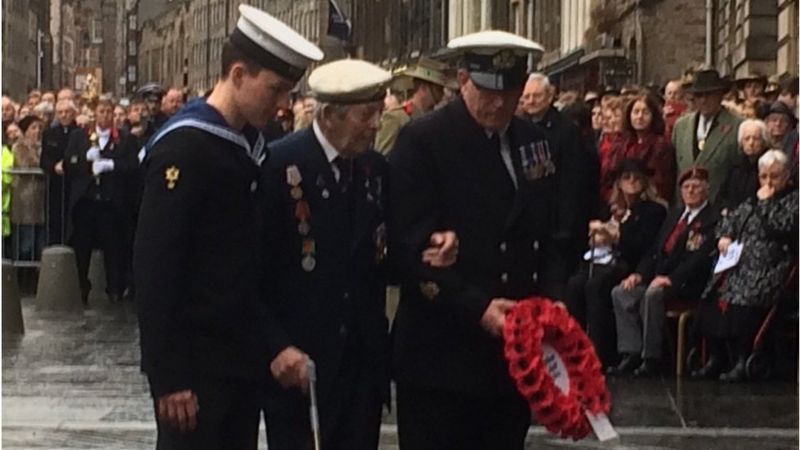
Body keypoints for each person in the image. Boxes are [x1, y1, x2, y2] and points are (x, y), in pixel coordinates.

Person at [134, 5, 323, 449]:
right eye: (275, 90)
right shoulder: (186, 148)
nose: (282, 106)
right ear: (238, 74)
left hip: (238, 363)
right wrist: (168, 376)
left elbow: (242, 267)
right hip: (195, 370)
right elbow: (157, 268)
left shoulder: (249, 145)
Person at [389, 31, 561, 450]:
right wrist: (477, 308)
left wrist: (553, 300)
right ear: (462, 79)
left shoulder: (533, 141)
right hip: (443, 352)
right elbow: (408, 246)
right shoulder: (424, 140)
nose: (498, 103)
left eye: (510, 92)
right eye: (486, 90)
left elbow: (554, 229)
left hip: (513, 353)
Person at [693, 150, 798, 382]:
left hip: (771, 264)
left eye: (774, 176)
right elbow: (729, 220)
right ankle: (716, 357)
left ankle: (743, 358)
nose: (768, 182)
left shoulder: (793, 199)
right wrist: (724, 236)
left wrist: (765, 203)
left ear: (786, 176)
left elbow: (780, 228)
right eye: (764, 177)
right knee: (712, 295)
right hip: (739, 263)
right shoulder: (751, 199)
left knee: (743, 297)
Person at [610, 167, 718, 378]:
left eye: (696, 187)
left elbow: (699, 259)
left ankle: (651, 358)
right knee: (621, 292)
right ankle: (630, 352)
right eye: (686, 187)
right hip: (657, 276)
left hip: (686, 283)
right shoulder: (675, 214)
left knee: (653, 295)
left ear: (706, 189)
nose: (691, 191)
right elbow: (654, 250)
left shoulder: (711, 219)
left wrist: (671, 279)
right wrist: (639, 274)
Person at [565, 159, 667, 368]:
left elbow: (645, 245)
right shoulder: (609, 208)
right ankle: (574, 349)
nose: (632, 182)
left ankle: (599, 352)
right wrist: (596, 235)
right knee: (575, 284)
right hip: (602, 261)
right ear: (619, 183)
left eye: (637, 178)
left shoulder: (653, 210)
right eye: (627, 178)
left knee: (596, 285)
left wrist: (616, 236)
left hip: (630, 264)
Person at [521, 72, 599, 284]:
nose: (531, 102)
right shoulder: (517, 127)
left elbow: (572, 182)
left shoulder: (566, 130)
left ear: (549, 95)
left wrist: (566, 227)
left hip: (557, 225)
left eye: (536, 96)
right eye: (526, 97)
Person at [63, 98, 138, 304]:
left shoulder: (125, 139)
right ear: (95, 114)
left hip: (110, 203)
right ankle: (81, 287)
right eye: (101, 111)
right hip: (86, 202)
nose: (105, 115)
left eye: (108, 112)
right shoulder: (80, 137)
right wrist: (84, 161)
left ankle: (115, 288)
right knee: (82, 247)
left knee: (113, 247)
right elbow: (69, 164)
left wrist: (111, 165)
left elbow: (132, 166)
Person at [672, 69, 742, 202]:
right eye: (699, 96)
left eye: (709, 94)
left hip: (719, 207)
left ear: (720, 95)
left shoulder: (737, 126)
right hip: (685, 207)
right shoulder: (681, 126)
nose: (704, 100)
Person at [375, 57, 448, 156]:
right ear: (424, 88)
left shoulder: (435, 120)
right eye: (438, 89)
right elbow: (383, 157)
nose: (442, 95)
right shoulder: (396, 118)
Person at [619, 94, 675, 202]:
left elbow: (663, 182)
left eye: (645, 112)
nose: (640, 117)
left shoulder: (661, 145)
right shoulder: (622, 144)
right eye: (636, 112)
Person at [41, 99, 80, 245]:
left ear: (74, 113)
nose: (64, 116)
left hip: (74, 184)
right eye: (60, 112)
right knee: (55, 221)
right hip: (55, 186)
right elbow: (44, 159)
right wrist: (53, 166)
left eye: (67, 112)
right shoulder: (49, 133)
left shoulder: (80, 132)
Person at [10, 115, 47, 261]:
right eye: (33, 128)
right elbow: (29, 164)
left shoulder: (43, 146)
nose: (37, 131)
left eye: (39, 128)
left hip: (41, 202)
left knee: (39, 244)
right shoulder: (19, 147)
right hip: (25, 202)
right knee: (25, 246)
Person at [717, 119, 769, 213]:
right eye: (747, 139)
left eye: (756, 138)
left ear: (763, 141)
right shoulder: (735, 167)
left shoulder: (769, 166)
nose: (751, 143)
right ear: (741, 143)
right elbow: (723, 196)